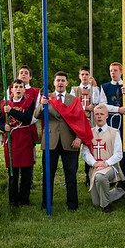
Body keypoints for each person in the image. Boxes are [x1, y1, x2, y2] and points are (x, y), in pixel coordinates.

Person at [39, 71, 81, 211]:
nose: (60, 83)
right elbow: (36, 115)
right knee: (48, 174)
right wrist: (41, 105)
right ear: (54, 83)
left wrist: (78, 138)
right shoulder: (47, 97)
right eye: (58, 80)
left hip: (69, 141)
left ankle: (72, 204)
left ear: (67, 83)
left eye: (63, 80)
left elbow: (79, 120)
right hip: (50, 140)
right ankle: (46, 203)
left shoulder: (73, 99)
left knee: (71, 174)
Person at [0, 79, 36, 206]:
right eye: (16, 87)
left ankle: (24, 199)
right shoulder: (4, 103)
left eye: (21, 87)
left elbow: (27, 118)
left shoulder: (30, 102)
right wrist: (3, 127)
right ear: (12, 89)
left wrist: (12, 111)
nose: (18, 89)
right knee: (13, 173)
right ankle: (13, 200)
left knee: (26, 172)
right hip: (12, 140)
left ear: (24, 90)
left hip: (25, 138)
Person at [81, 104, 125, 212]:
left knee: (100, 177)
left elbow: (118, 154)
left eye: (102, 114)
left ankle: (106, 206)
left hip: (110, 167)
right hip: (95, 167)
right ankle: (120, 191)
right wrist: (95, 163)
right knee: (96, 202)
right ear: (94, 116)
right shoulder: (89, 133)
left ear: (107, 116)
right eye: (97, 114)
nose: (99, 116)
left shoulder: (114, 132)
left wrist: (106, 163)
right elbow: (85, 153)